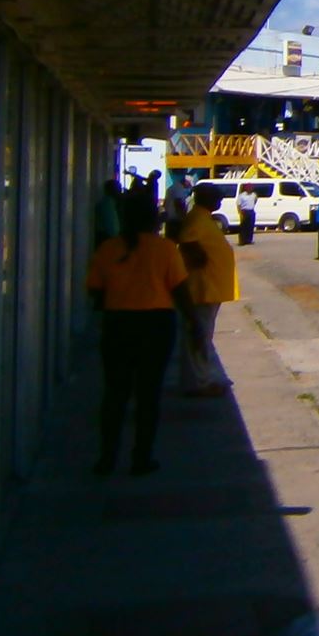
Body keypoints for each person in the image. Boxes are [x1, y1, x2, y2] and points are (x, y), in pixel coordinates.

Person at [84, 191, 193, 476]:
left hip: (118, 324)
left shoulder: (108, 249)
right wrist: (193, 323)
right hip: (156, 325)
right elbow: (180, 290)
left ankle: (106, 459)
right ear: (153, 219)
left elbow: (94, 289)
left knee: (115, 394)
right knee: (149, 394)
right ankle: (141, 458)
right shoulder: (165, 249)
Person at [175, 182, 237, 397]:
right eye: (217, 196)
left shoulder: (202, 217)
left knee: (202, 335)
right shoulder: (197, 218)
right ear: (206, 198)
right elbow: (187, 241)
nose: (220, 200)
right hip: (202, 287)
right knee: (198, 336)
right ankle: (198, 383)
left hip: (210, 287)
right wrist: (200, 258)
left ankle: (200, 378)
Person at [94, 179, 123, 247]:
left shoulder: (105, 203)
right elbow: (113, 230)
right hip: (106, 240)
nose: (120, 192)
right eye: (119, 189)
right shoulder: (108, 205)